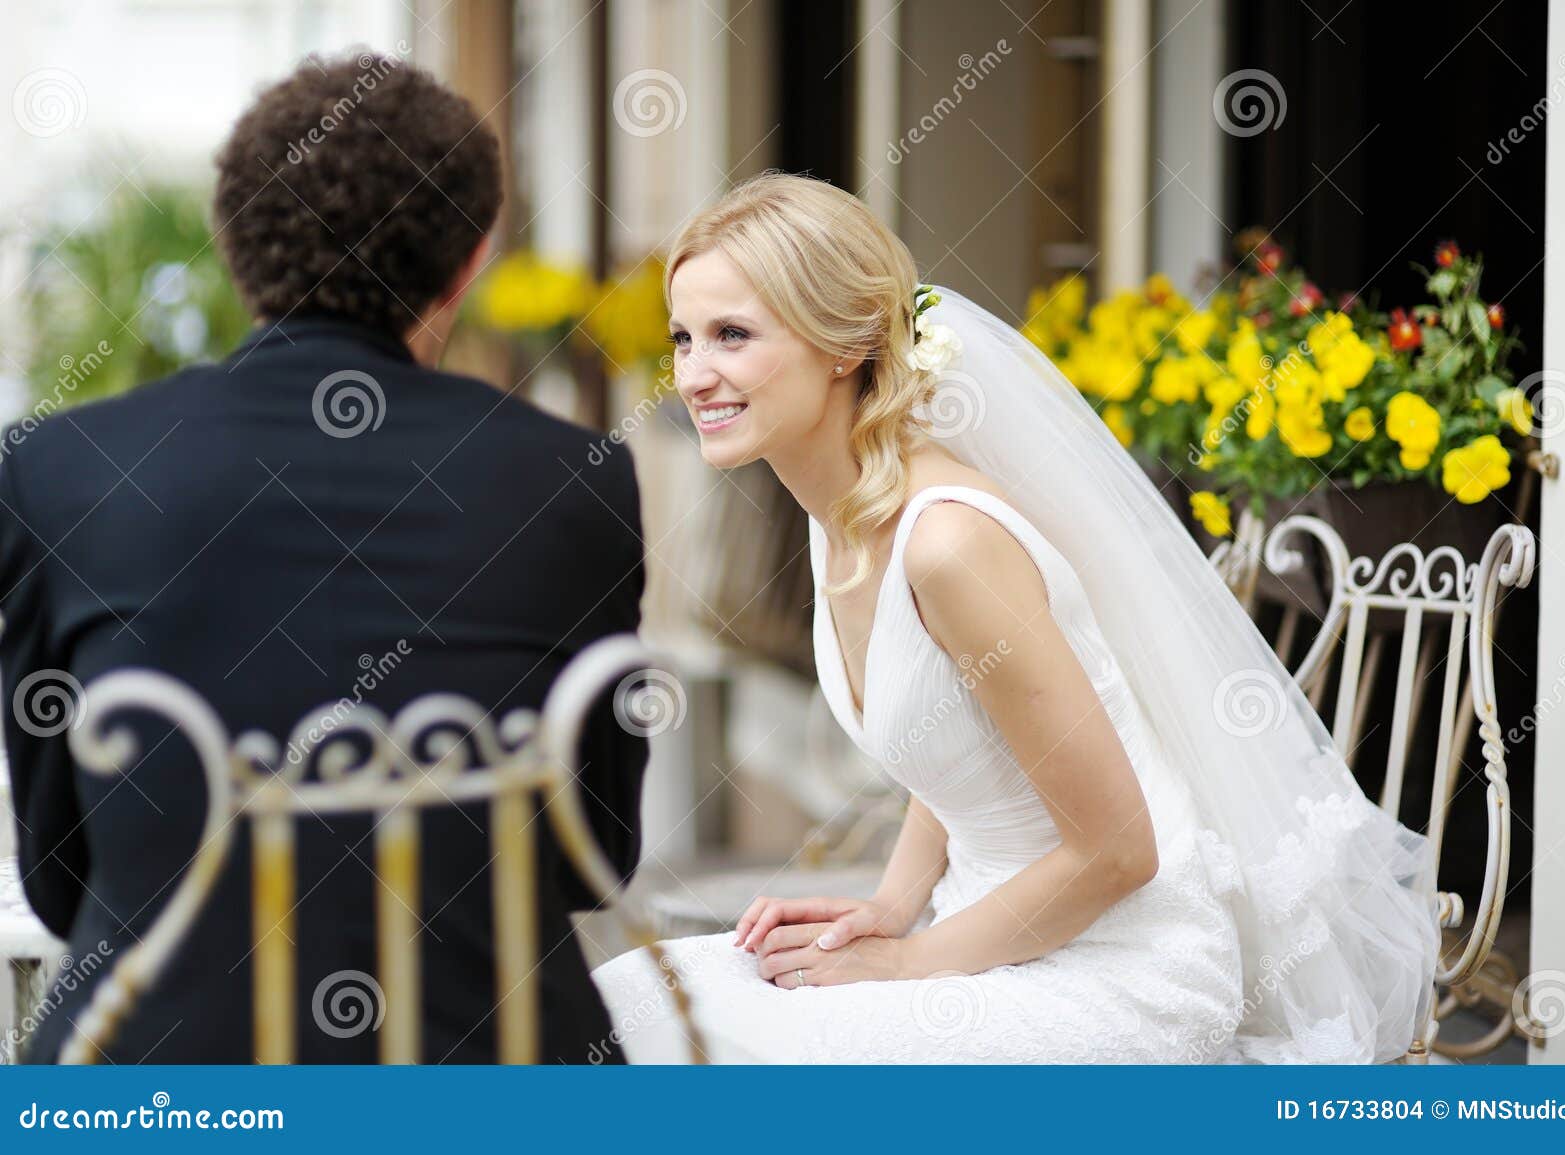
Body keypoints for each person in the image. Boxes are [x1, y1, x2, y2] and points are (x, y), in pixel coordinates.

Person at [591, 172, 1440, 1064]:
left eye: (732, 335)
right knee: (629, 995)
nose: (694, 374)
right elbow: (958, 736)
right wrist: (888, 907)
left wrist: (906, 961)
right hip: (980, 932)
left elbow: (1120, 851)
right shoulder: (837, 515)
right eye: (683, 337)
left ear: (843, 344)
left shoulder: (948, 545)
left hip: (1120, 968)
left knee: (707, 1048)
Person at [0, 54, 648, 1063]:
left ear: (233, 249)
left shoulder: (59, 468)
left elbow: (60, 876)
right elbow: (592, 855)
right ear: (470, 262)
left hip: (155, 1077)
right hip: (498, 1064)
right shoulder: (575, 477)